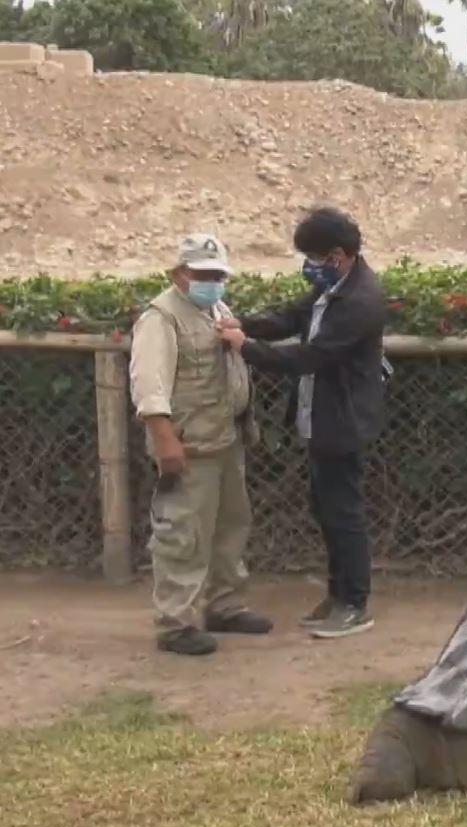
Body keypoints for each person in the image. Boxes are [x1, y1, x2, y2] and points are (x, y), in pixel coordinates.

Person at [216, 207, 389, 640]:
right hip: (320, 417)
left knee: (344, 513)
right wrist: (246, 324)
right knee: (326, 509)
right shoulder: (329, 290)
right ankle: (338, 595)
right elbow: (292, 319)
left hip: (343, 422)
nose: (307, 267)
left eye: (313, 257)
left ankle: (354, 602)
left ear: (337, 256)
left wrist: (245, 347)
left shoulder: (361, 300)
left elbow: (310, 356)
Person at [128, 233, 271, 656]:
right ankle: (176, 622)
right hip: (189, 447)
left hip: (224, 441)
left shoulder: (215, 308)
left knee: (230, 529)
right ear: (179, 273)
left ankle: (223, 606)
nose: (212, 281)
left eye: (217, 274)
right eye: (203, 273)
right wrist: (165, 440)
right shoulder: (161, 318)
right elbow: (149, 384)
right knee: (183, 534)